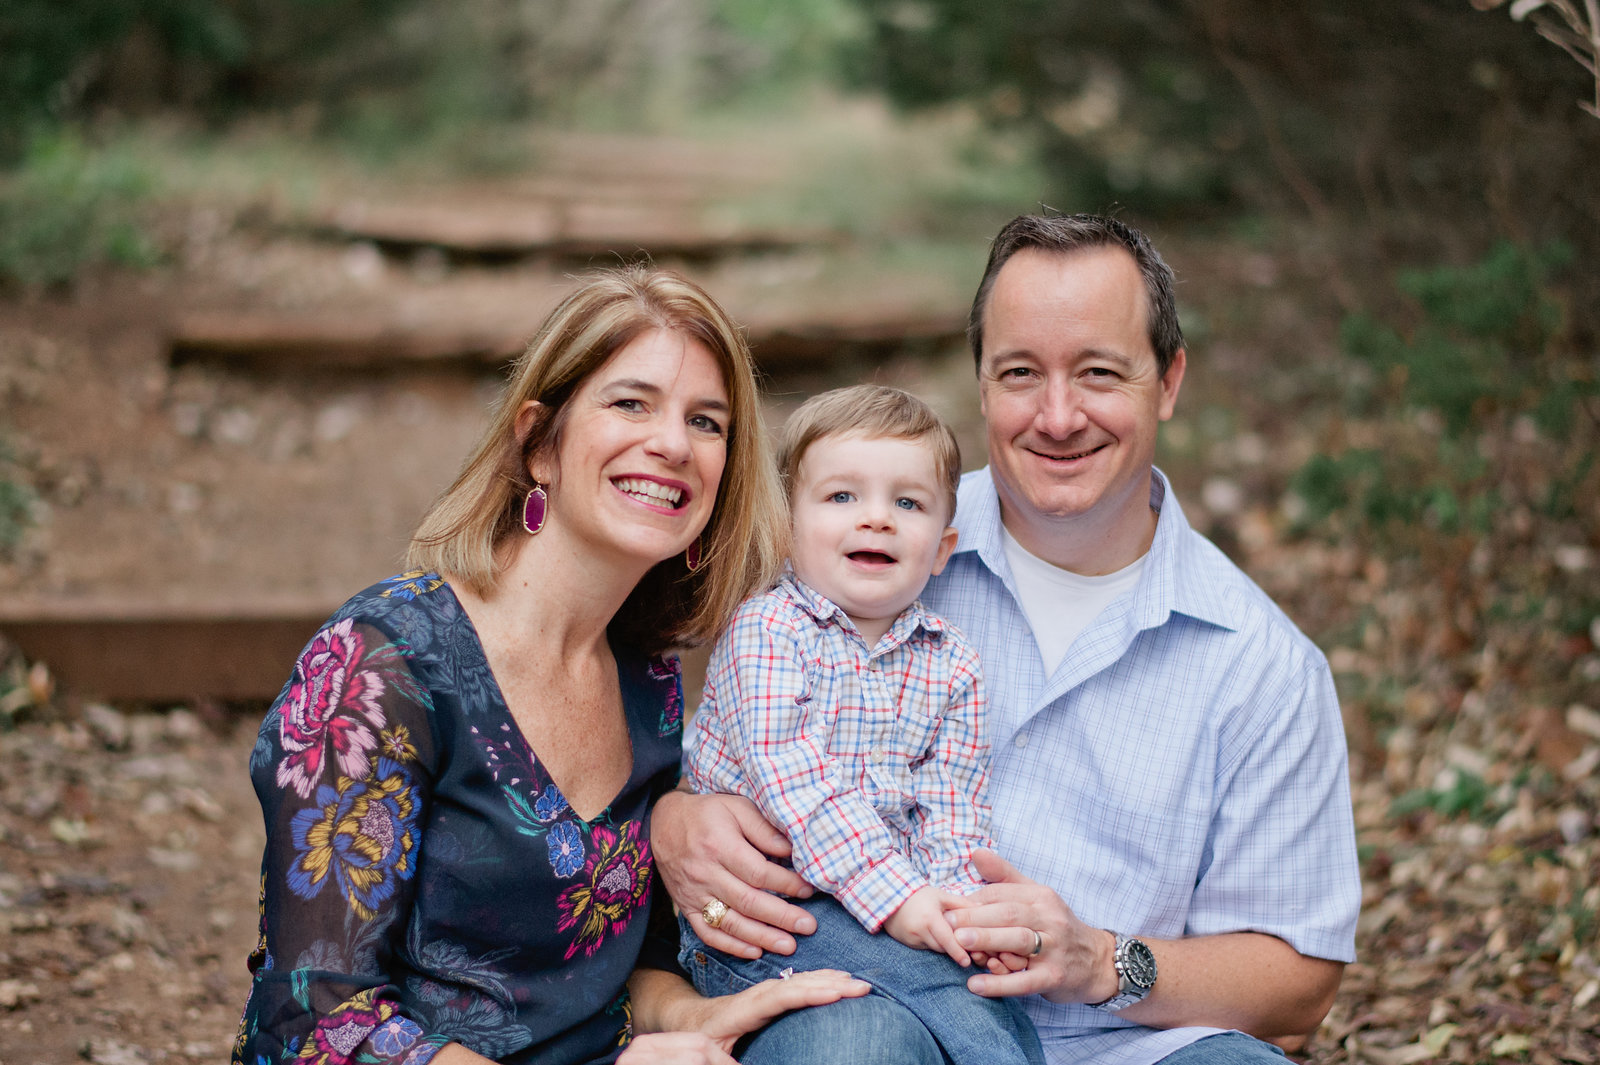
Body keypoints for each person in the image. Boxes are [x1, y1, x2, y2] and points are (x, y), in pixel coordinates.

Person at [651, 214, 1362, 1065]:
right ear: (983, 384)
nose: (1058, 417)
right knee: (849, 1048)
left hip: (1128, 1045)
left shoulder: (1262, 667)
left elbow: (1298, 988)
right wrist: (672, 817)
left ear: (1167, 382)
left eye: (1099, 372)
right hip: (874, 1003)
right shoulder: (861, 544)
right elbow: (737, 735)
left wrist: (1103, 961)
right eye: (1022, 373)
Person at [231, 266, 870, 1065]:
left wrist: (692, 1015)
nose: (673, 443)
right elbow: (320, 1026)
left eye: (707, 421)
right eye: (630, 402)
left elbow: (610, 968)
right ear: (540, 441)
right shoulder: (380, 665)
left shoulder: (650, 679)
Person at [679, 386, 1043, 1065]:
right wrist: (904, 900)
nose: (876, 519)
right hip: (763, 913)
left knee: (966, 975)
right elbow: (799, 792)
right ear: (788, 525)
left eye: (907, 503)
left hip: (886, 911)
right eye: (842, 497)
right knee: (959, 996)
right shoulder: (767, 633)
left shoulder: (952, 663)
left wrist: (959, 910)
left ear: (942, 547)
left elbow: (953, 809)